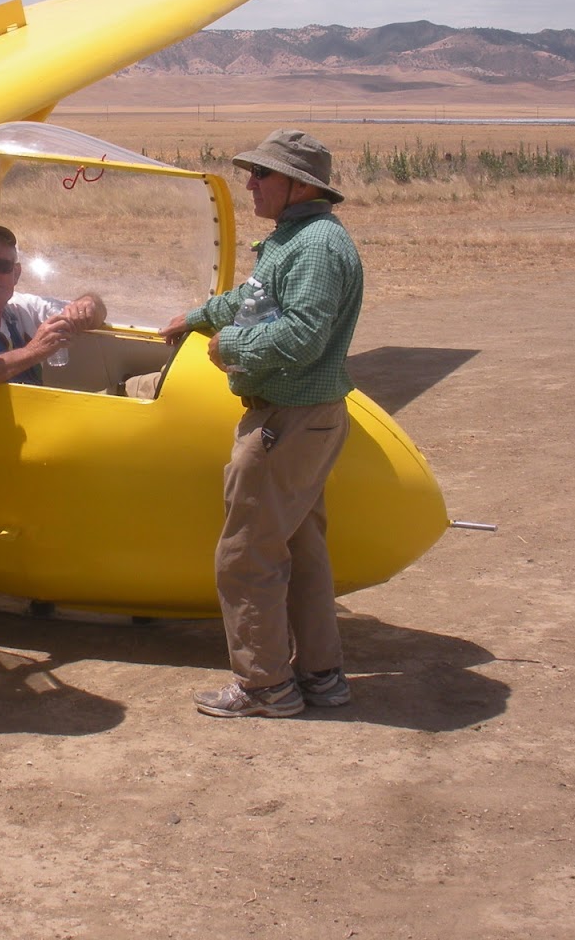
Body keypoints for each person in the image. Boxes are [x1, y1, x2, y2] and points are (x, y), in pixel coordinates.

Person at [157, 128, 364, 719]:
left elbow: (301, 335)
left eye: (261, 175)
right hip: (296, 419)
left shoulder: (317, 247)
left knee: (246, 555)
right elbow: (251, 300)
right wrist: (195, 318)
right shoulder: (293, 240)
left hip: (286, 423)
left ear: (300, 186)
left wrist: (230, 348)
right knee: (300, 549)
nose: (250, 183)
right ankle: (321, 677)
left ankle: (264, 686)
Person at [0, 224, 108, 394]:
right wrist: (33, 351)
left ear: (16, 274)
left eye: (3, 266)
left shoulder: (22, 307)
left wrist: (88, 305)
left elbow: (92, 310)